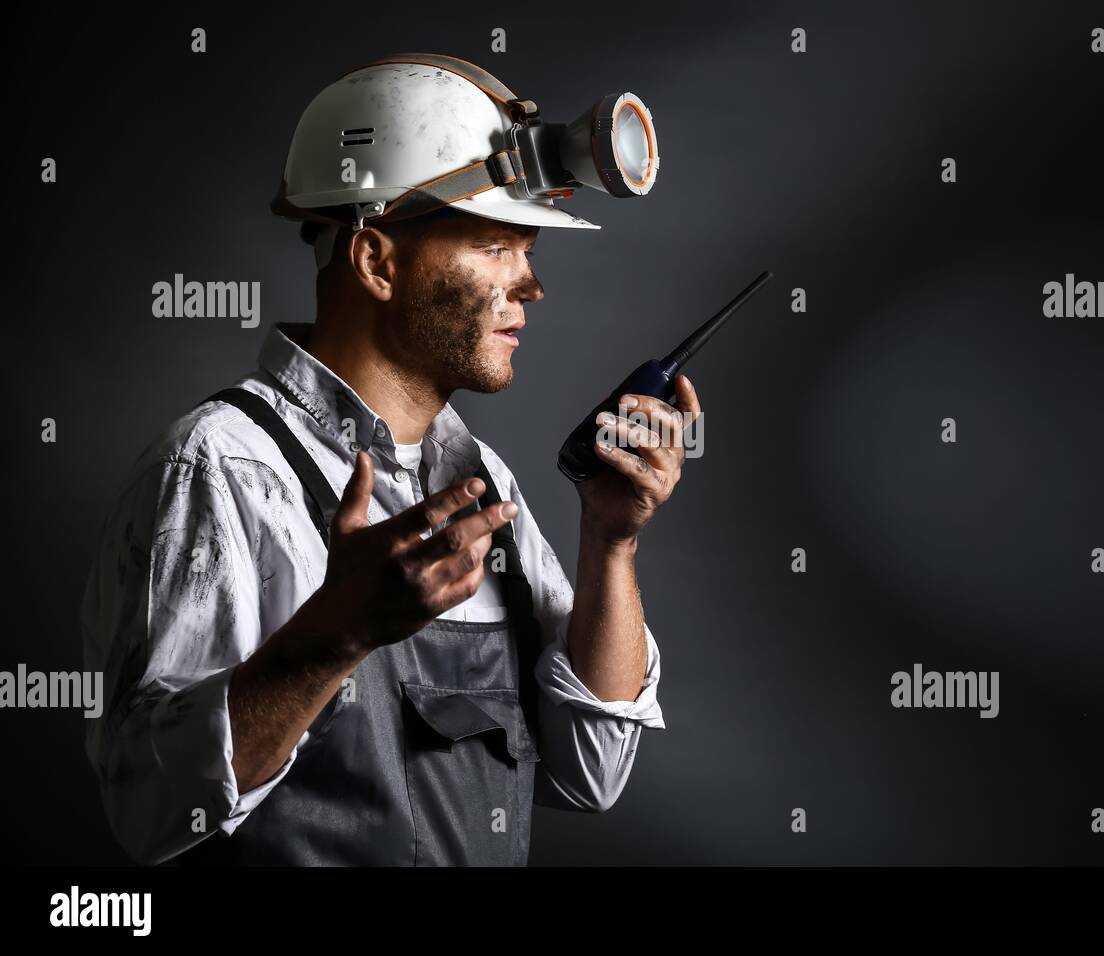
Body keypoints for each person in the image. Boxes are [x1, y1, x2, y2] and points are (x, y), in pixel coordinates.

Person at [80, 54, 699, 866]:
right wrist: (340, 633)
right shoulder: (221, 470)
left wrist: (611, 540)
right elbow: (148, 809)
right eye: (495, 246)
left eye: (530, 251)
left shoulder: (479, 483)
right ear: (376, 261)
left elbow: (592, 773)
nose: (531, 286)